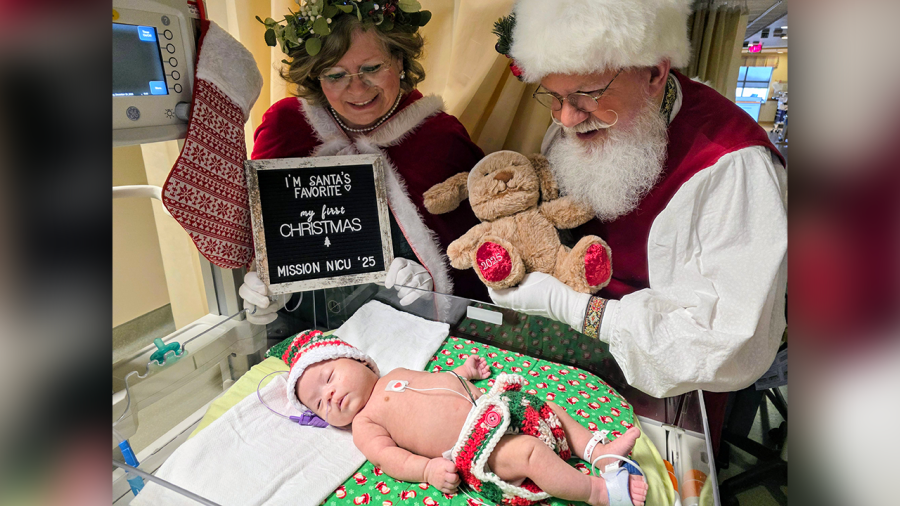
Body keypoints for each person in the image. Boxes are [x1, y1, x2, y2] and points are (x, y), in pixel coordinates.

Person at [487, 0, 788, 446]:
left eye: (588, 92)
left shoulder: (734, 166)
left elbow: (728, 345)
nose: (567, 117)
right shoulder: (574, 125)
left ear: (654, 72)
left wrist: (571, 308)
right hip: (573, 363)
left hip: (667, 392)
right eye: (554, 96)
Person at [241, 1, 487, 325]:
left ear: (399, 59)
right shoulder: (286, 128)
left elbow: (475, 254)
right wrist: (263, 289)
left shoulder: (440, 138)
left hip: (413, 337)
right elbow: (262, 236)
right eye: (335, 74)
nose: (357, 88)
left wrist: (432, 289)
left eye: (372, 68)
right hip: (312, 338)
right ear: (316, 76)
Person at [283, 329, 649, 506]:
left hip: (497, 405)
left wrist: (464, 371)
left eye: (328, 379)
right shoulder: (365, 424)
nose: (328, 396)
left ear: (361, 361)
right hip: (476, 447)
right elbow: (389, 458)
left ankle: (597, 452)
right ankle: (597, 492)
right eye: (319, 404)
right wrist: (426, 471)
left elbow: (438, 385)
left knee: (549, 410)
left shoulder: (395, 373)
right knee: (529, 452)